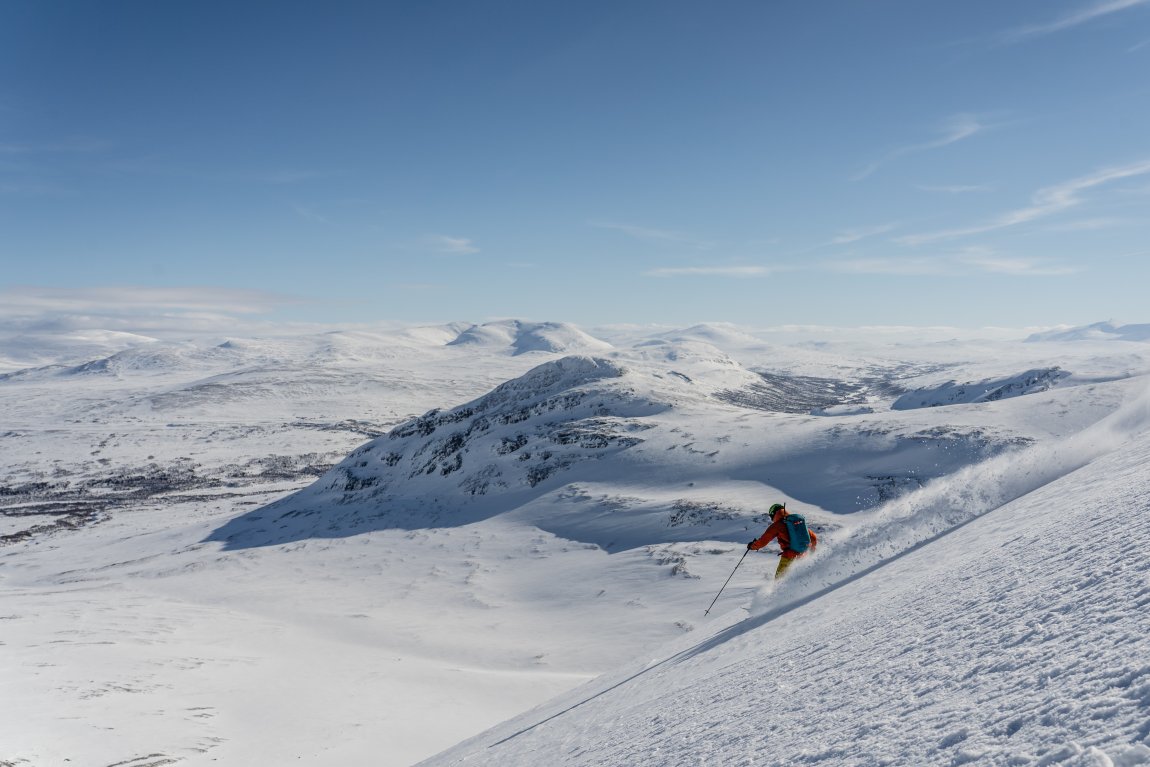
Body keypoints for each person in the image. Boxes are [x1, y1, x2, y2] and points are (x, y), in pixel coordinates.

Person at [747, 503, 817, 579]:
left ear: (773, 514)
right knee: (798, 578)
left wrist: (752, 546)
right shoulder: (795, 523)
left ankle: (780, 591)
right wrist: (812, 550)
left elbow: (763, 540)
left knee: (779, 580)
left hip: (789, 556)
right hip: (803, 555)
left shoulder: (777, 525)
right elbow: (813, 537)